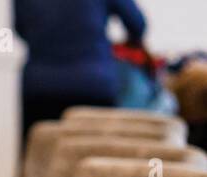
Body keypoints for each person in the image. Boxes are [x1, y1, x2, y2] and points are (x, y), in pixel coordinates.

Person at [14, 0, 148, 143]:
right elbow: (137, 25)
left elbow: (20, 27)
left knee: (40, 155)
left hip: (41, 86)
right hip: (94, 84)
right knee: (95, 153)